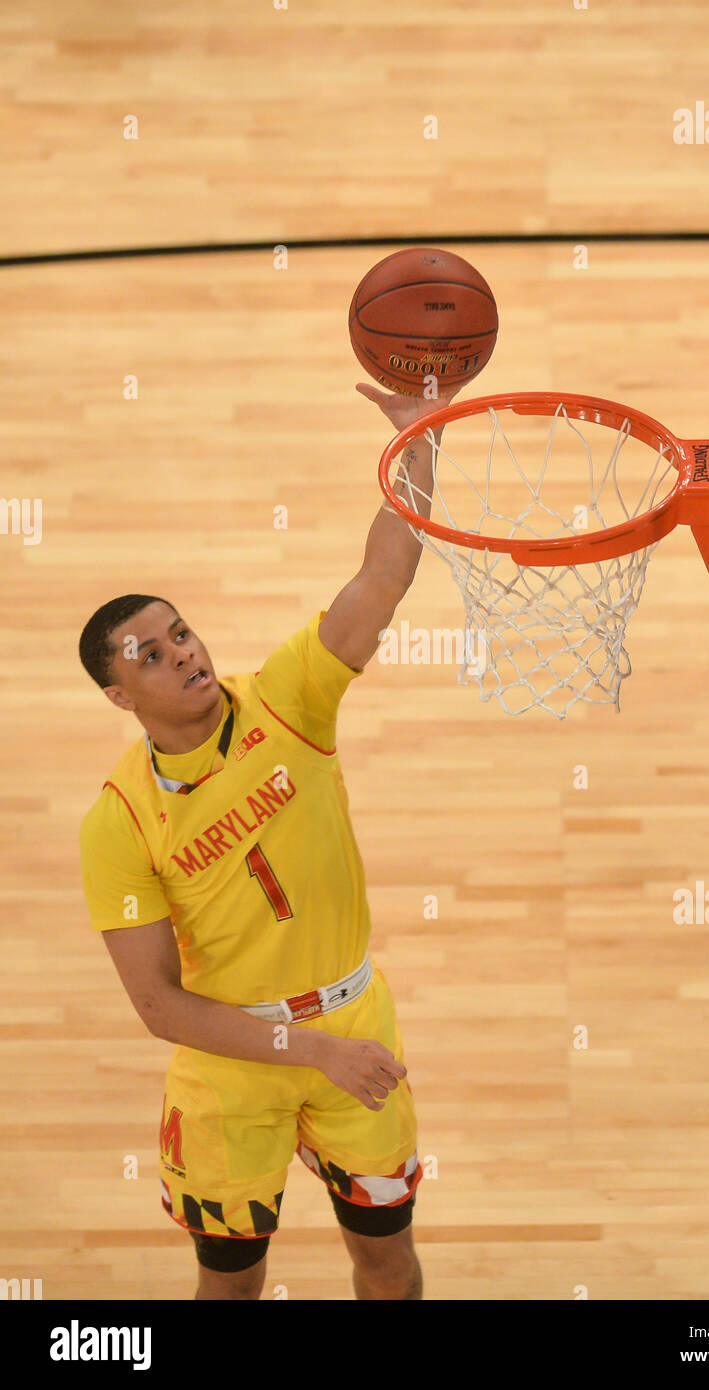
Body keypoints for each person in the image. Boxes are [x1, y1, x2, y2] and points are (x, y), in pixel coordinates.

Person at [78, 382, 452, 1300]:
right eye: (152, 657)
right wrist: (314, 1051)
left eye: (181, 632)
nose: (184, 654)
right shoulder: (118, 824)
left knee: (385, 1258)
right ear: (120, 698)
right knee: (233, 1286)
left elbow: (382, 580)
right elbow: (161, 1009)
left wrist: (420, 447)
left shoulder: (288, 697)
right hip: (231, 1070)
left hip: (353, 1020)